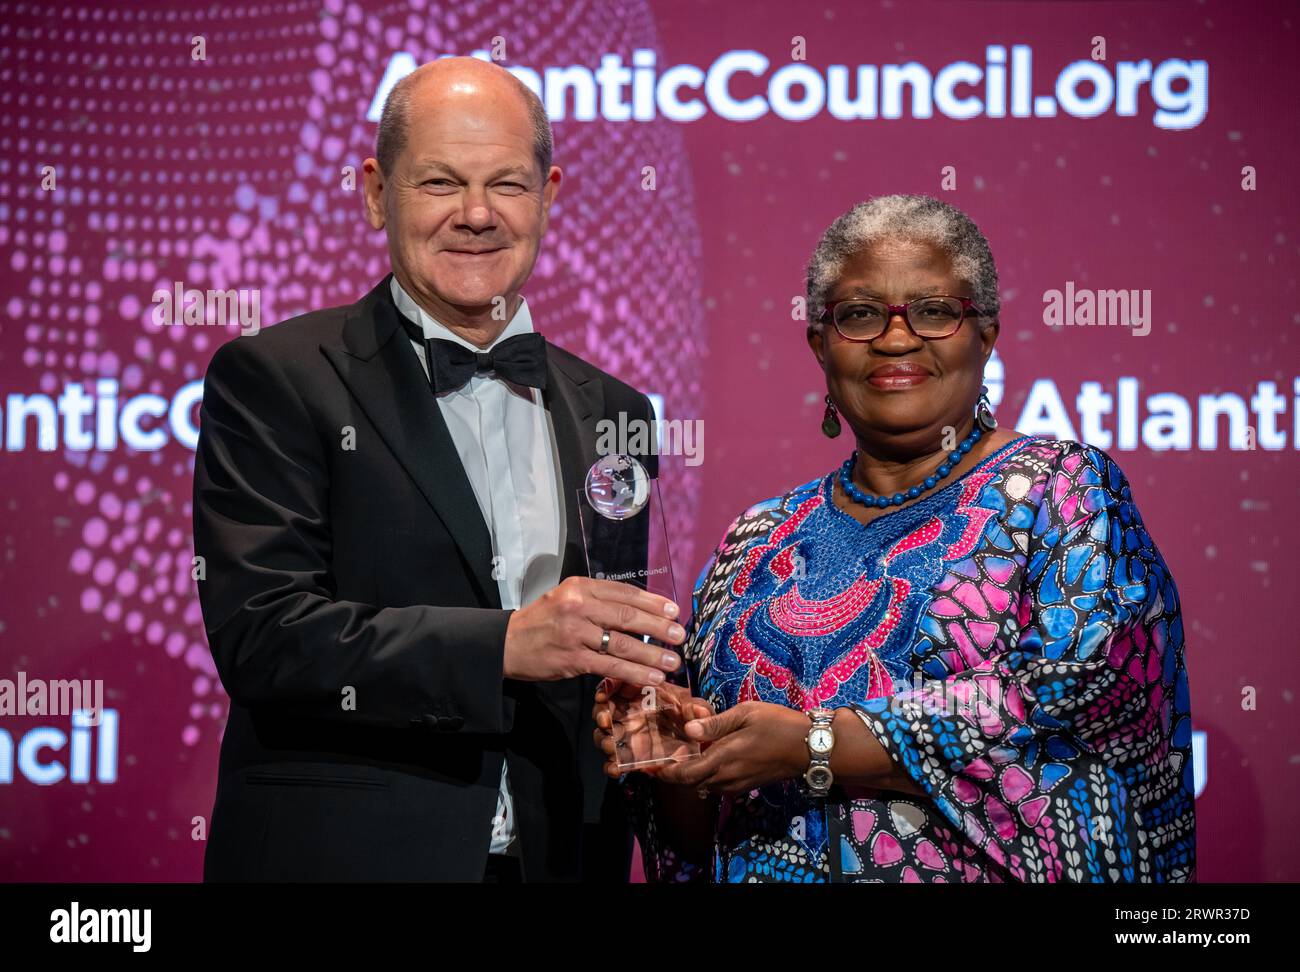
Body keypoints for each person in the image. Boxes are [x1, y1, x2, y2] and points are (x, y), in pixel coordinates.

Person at [596, 194, 1196, 883]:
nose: (896, 337)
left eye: (934, 311)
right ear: (820, 344)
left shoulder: (1060, 491)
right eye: (859, 315)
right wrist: (675, 760)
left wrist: (816, 744)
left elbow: (1079, 708)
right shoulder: (755, 540)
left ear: (986, 335)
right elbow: (697, 837)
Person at [194, 56, 686, 882]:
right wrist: (505, 644)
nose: (476, 214)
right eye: (439, 183)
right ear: (374, 192)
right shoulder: (276, 376)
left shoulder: (617, 410)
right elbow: (263, 636)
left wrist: (651, 702)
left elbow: (615, 638)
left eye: (507, 184)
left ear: (550, 194)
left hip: (559, 855)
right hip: (342, 859)